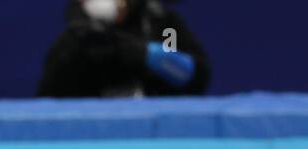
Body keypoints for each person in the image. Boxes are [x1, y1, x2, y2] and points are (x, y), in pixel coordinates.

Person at [38, 0, 210, 99]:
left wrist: (149, 55)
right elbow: (50, 98)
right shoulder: (76, 37)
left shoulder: (164, 27)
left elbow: (195, 78)